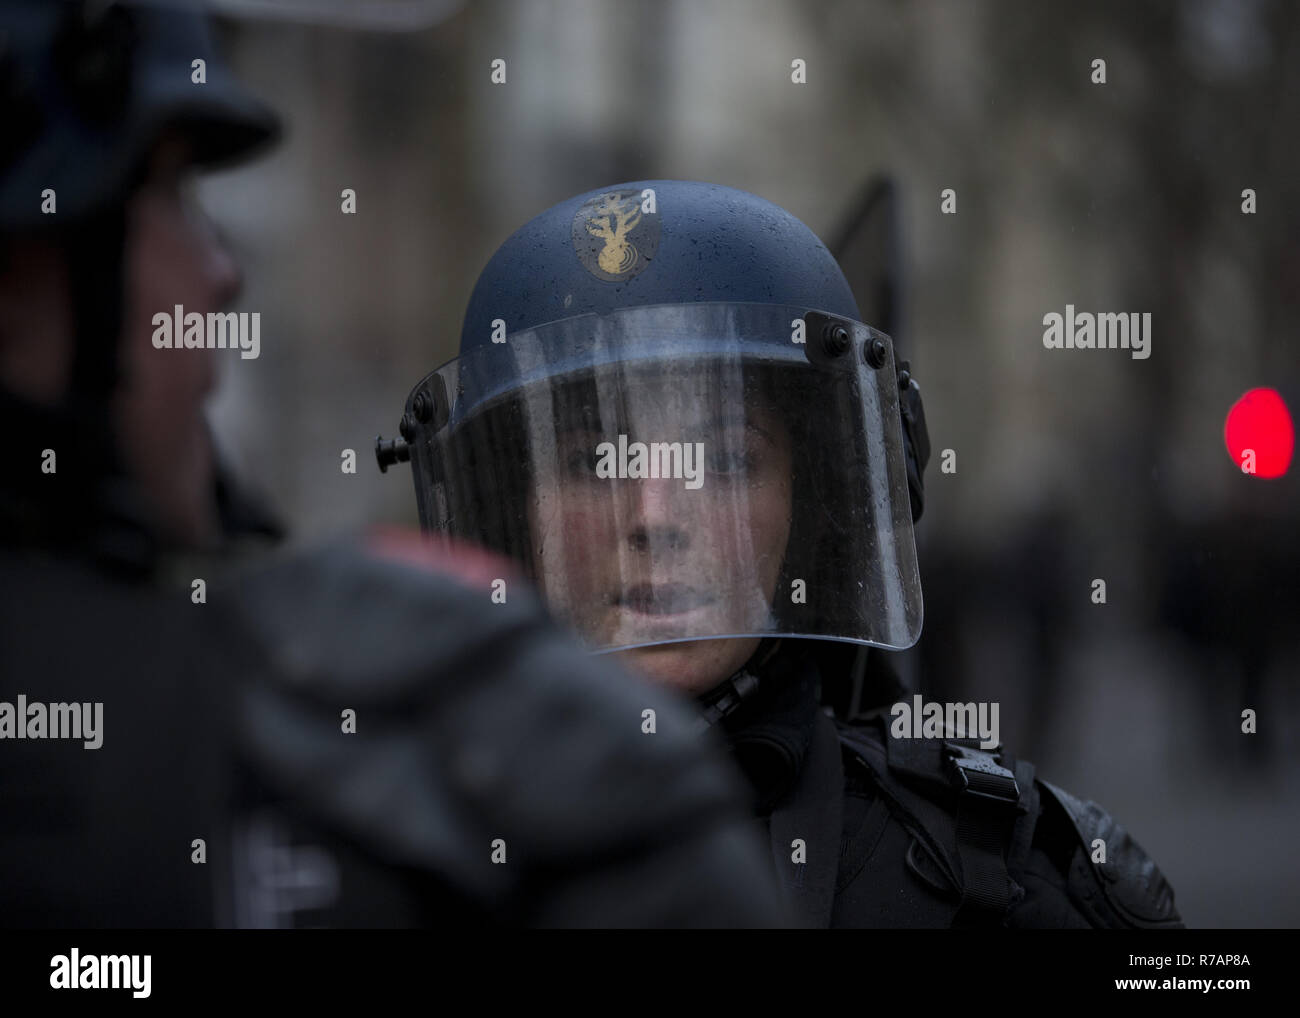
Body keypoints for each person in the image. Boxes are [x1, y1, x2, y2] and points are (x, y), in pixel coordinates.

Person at [0, 0, 789, 928]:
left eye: (726, 458)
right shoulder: (386, 749)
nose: (222, 272)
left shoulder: (968, 848)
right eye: (169, 193)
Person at [379, 179, 1187, 928]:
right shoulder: (377, 862)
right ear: (515, 513)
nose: (656, 515)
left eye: (726, 458)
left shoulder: (1002, 878)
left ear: (812, 506)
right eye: (597, 461)